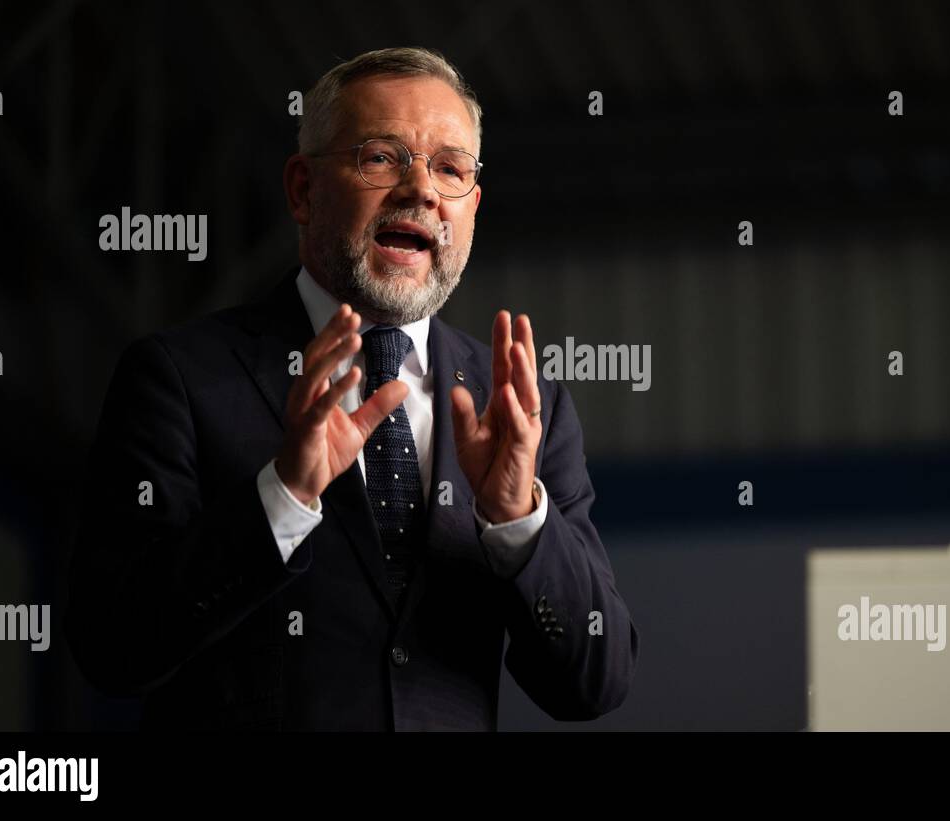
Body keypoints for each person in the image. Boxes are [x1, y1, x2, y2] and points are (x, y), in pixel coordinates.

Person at [68, 47, 638, 730]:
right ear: (304, 190)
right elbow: (112, 646)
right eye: (380, 157)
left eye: (451, 169)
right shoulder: (181, 378)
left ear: (473, 208)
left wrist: (517, 520)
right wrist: (282, 495)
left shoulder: (518, 406)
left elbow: (596, 681)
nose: (422, 190)